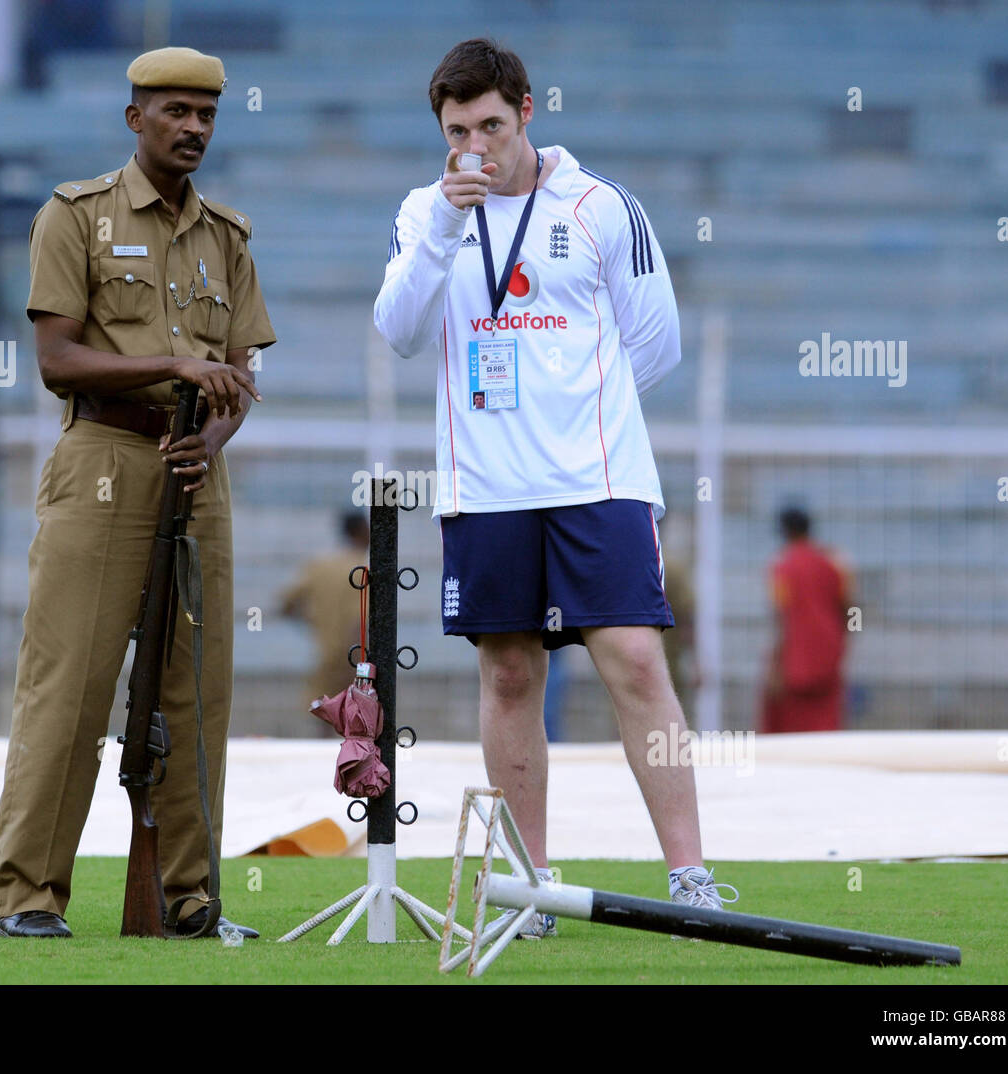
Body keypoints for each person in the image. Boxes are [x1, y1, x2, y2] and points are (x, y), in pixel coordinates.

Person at [373, 38, 736, 936]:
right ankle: (532, 884)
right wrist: (447, 233)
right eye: (458, 132)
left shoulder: (602, 205)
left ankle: (688, 872)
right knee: (506, 677)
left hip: (597, 477)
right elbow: (400, 331)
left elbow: (656, 342)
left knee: (639, 663)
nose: (477, 149)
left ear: (527, 111)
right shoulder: (426, 212)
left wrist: (582, 409)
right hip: (486, 485)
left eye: (492, 126)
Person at [0, 46, 275, 940]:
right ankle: (30, 894)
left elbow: (242, 371)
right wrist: (175, 365)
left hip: (196, 471)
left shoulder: (228, 236)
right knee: (70, 680)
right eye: (175, 111)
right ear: (134, 118)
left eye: (207, 114)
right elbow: (56, 358)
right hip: (103, 457)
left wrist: (212, 433)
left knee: (197, 692)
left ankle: (190, 897)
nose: (193, 127)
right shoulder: (73, 215)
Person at [760, 507, 851, 733]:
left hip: (795, 660)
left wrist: (775, 665)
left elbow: (781, 617)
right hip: (829, 656)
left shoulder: (782, 568)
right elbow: (850, 608)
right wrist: (842, 643)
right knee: (826, 727)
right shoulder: (835, 564)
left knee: (790, 731)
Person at [279, 511, 371, 720]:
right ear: (362, 532)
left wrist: (314, 620)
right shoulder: (368, 569)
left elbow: (286, 604)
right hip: (360, 653)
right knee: (361, 717)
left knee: (325, 714)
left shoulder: (320, 567)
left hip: (327, 650)